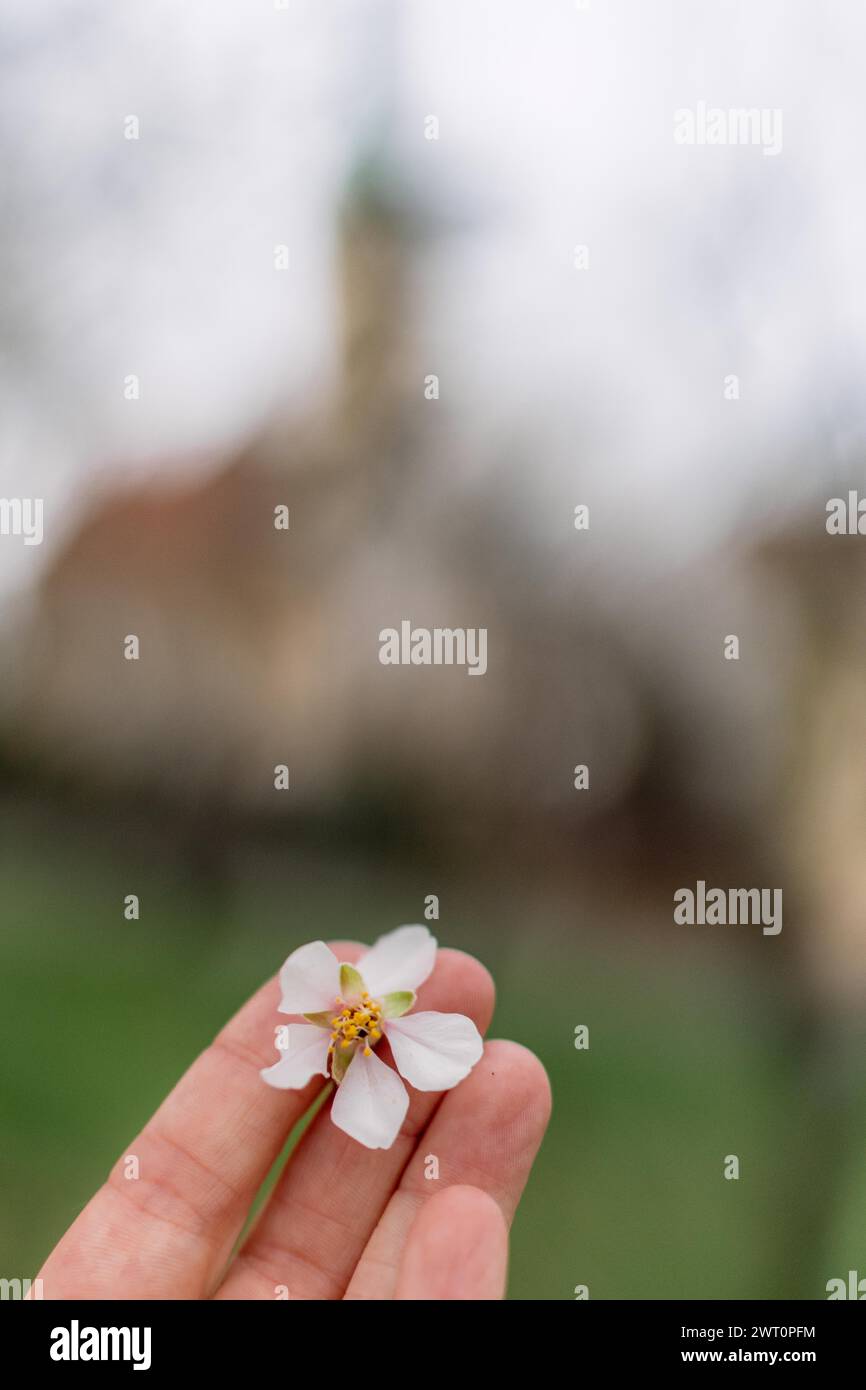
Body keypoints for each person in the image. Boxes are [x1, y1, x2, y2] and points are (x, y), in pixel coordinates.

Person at [36, 941, 551, 1300]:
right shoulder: (324, 1016)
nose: (362, 1023)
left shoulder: (383, 1024)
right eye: (355, 1021)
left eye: (365, 1021)